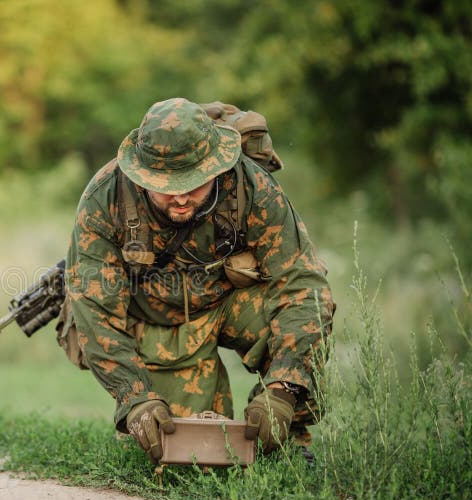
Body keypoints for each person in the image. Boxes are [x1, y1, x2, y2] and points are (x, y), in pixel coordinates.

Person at [64, 97, 335, 461]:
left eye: (192, 184)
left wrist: (284, 390)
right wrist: (134, 397)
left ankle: (288, 441)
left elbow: (303, 287)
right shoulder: (105, 199)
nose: (179, 198)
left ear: (216, 169)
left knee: (287, 318)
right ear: (140, 176)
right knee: (182, 452)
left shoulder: (253, 189)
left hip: (229, 305)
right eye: (164, 185)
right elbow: (96, 314)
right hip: (155, 325)